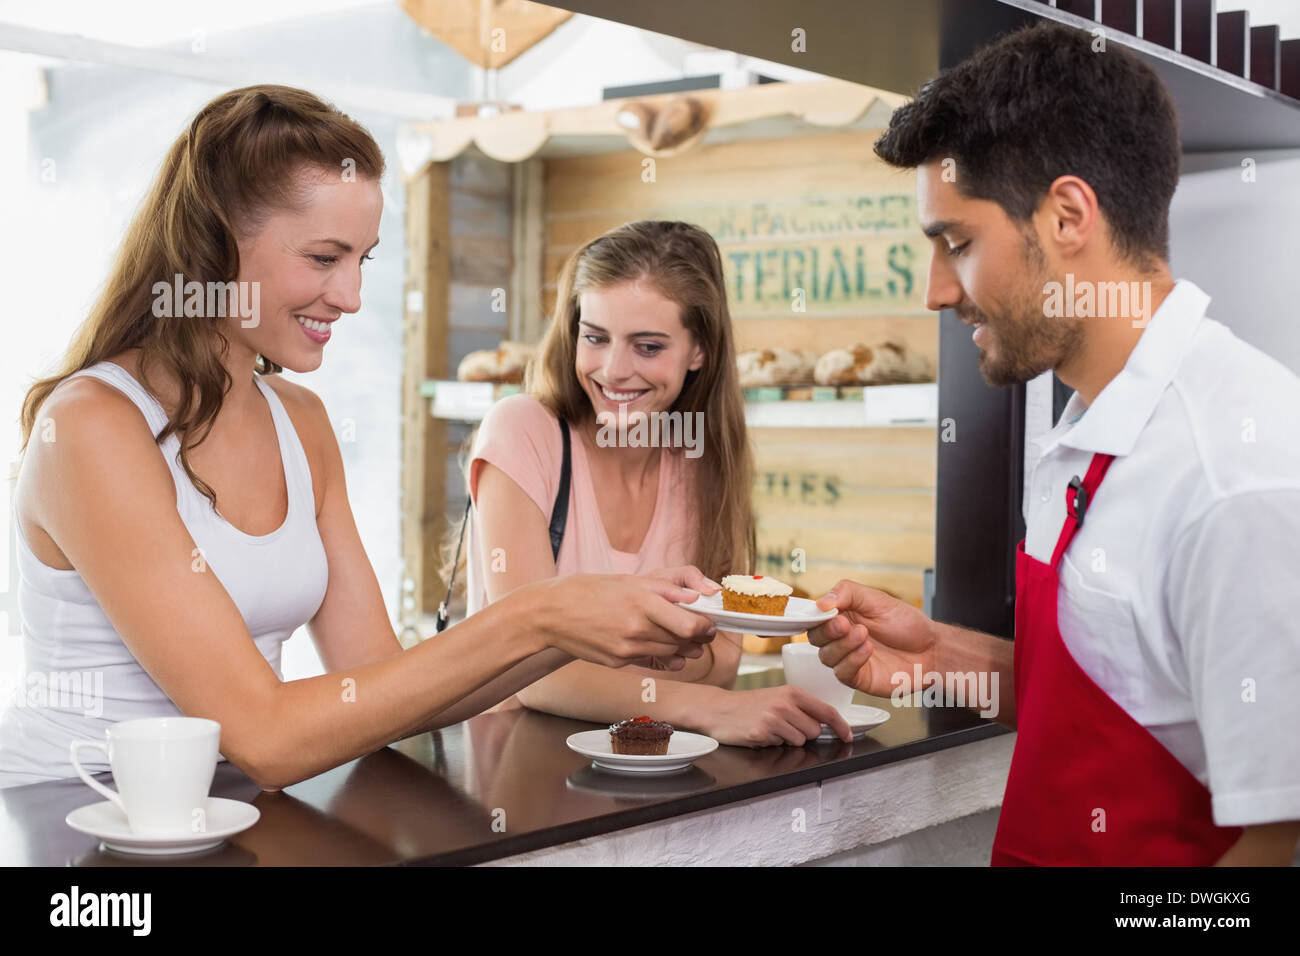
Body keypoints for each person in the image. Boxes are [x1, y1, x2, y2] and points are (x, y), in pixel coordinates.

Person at [0, 85, 718, 791]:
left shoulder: (301, 423)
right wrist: (540, 615)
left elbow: (379, 689)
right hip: (73, 812)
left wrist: (578, 620)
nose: (350, 296)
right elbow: (266, 737)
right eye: (323, 258)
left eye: (362, 260)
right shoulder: (93, 427)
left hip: (230, 813)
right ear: (217, 241)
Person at [808, 21, 1300, 866]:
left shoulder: (1238, 475)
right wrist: (944, 658)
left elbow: (1278, 840)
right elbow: (1129, 701)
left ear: (1068, 215)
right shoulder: (1086, 425)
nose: (935, 293)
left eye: (956, 244)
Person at [460, 220, 852, 745]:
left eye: (647, 347)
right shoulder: (523, 432)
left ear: (699, 351)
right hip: (518, 780)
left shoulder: (701, 459)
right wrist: (700, 699)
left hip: (654, 768)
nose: (614, 370)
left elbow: (722, 661)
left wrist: (590, 667)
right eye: (595, 338)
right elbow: (530, 669)